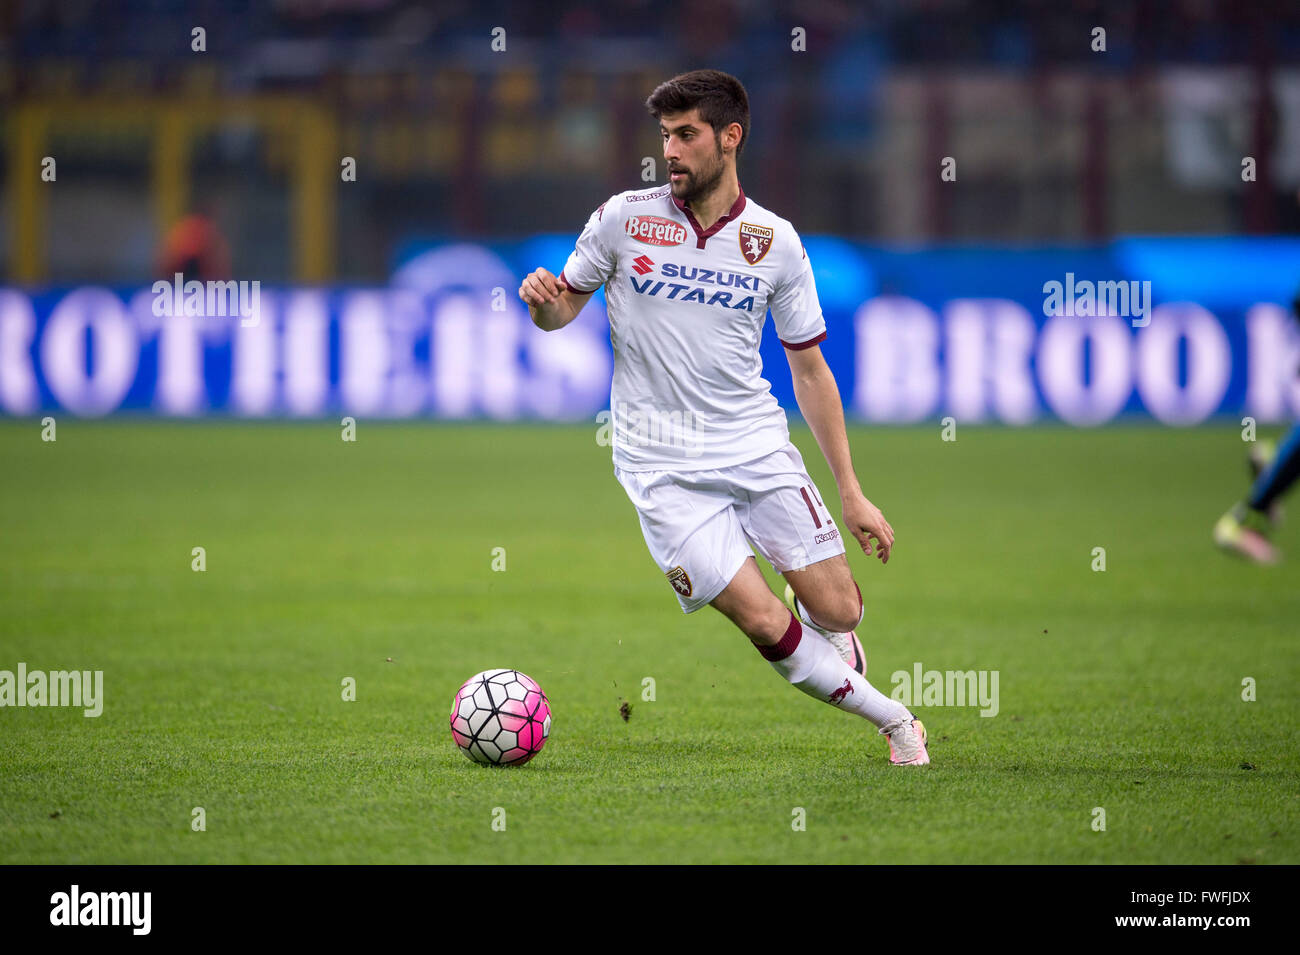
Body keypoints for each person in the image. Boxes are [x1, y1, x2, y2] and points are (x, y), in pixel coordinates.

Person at [518, 69, 928, 765]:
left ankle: (830, 633)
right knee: (762, 617)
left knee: (841, 609)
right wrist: (541, 303)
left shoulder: (775, 241)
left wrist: (851, 489)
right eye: (665, 137)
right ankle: (895, 721)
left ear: (729, 137)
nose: (670, 152)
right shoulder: (622, 218)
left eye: (686, 135)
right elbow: (563, 311)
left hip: (753, 444)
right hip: (659, 464)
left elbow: (809, 369)